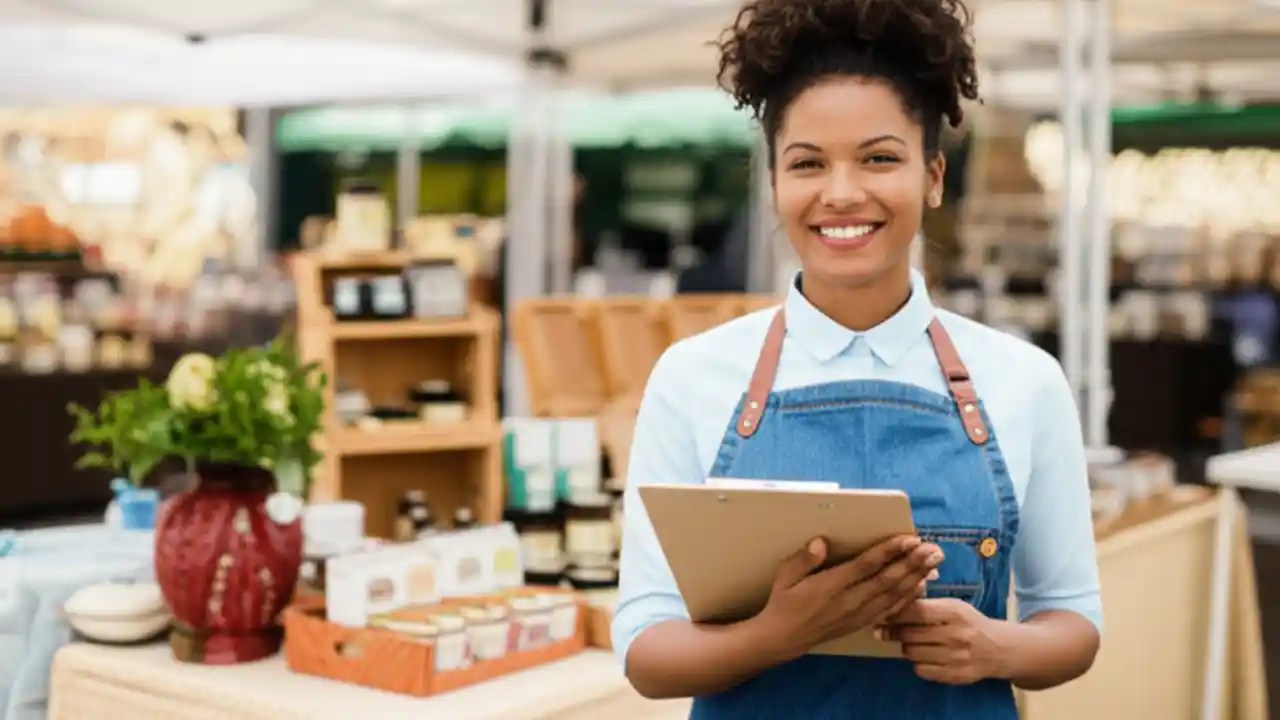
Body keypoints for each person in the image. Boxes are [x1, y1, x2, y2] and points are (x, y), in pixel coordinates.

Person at [611, 1, 1102, 717]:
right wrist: (776, 635)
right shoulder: (692, 376)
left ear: (933, 177)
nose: (842, 193)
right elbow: (645, 651)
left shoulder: (1024, 379)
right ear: (774, 184)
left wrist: (997, 649)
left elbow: (1074, 622)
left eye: (879, 158)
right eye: (807, 163)